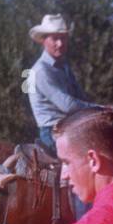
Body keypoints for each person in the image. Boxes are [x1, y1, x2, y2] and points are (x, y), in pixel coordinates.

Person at [27, 14, 102, 156]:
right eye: (55, 38)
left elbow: (80, 97)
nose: (60, 44)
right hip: (52, 132)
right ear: (43, 40)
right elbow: (68, 105)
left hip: (70, 126)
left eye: (63, 38)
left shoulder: (63, 66)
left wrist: (98, 111)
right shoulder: (40, 71)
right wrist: (100, 109)